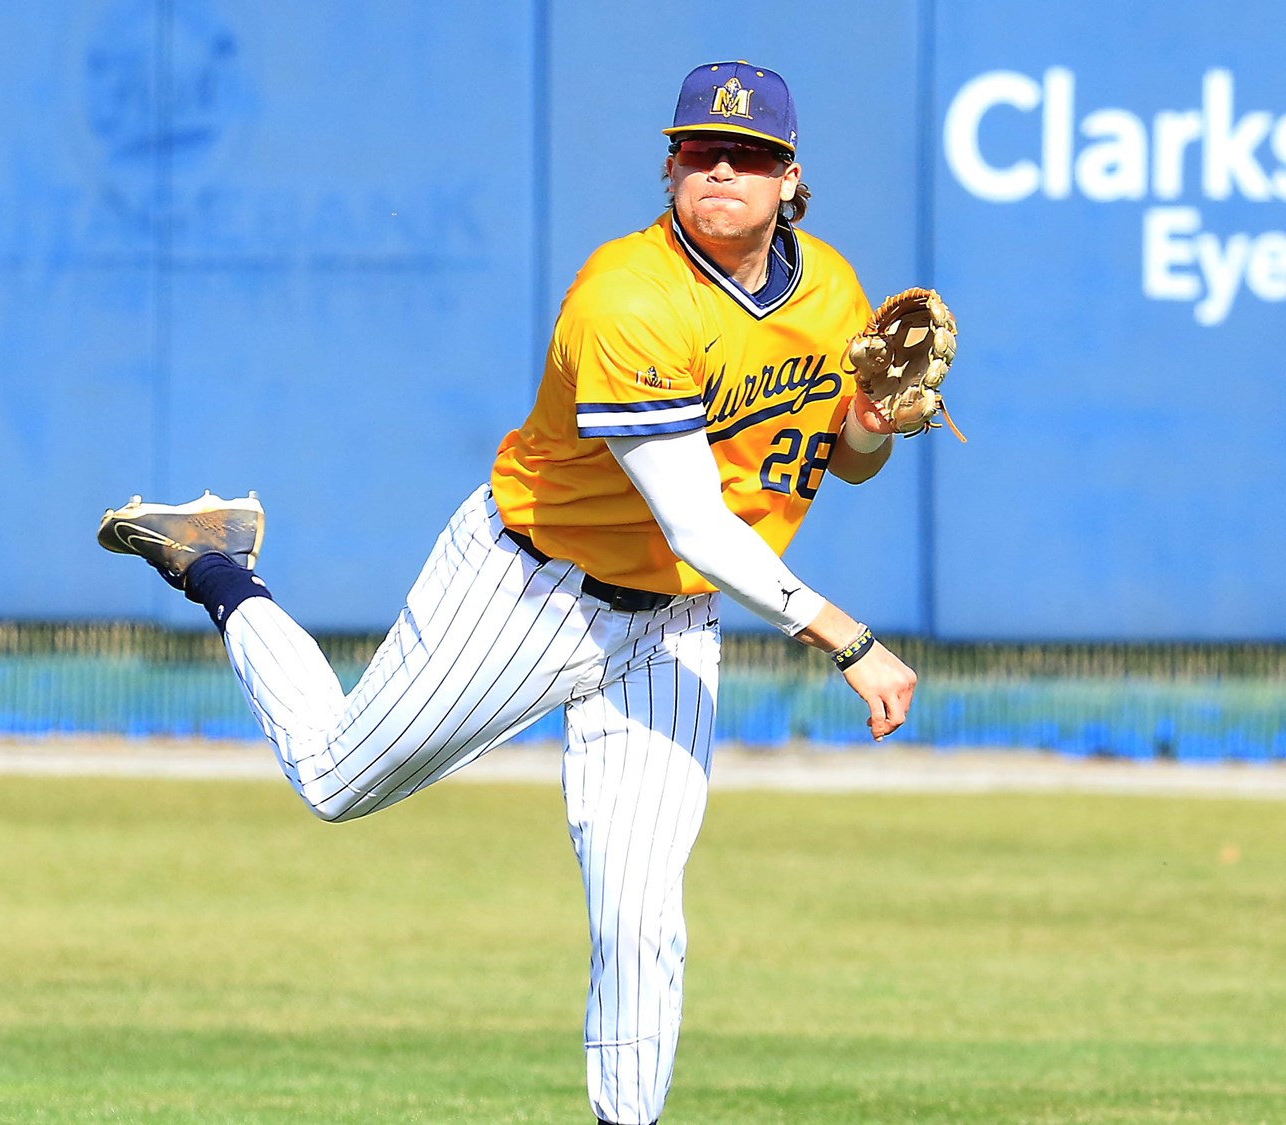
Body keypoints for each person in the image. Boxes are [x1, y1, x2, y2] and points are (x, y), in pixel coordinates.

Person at [97, 60, 917, 1125]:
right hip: (528, 587)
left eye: (746, 154)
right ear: (668, 164)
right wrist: (848, 638)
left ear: (788, 177)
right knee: (335, 780)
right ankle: (214, 563)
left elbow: (835, 463)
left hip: (667, 628)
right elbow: (694, 523)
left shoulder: (830, 295)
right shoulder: (627, 297)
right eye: (698, 150)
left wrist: (870, 424)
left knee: (640, 918)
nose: (720, 169)